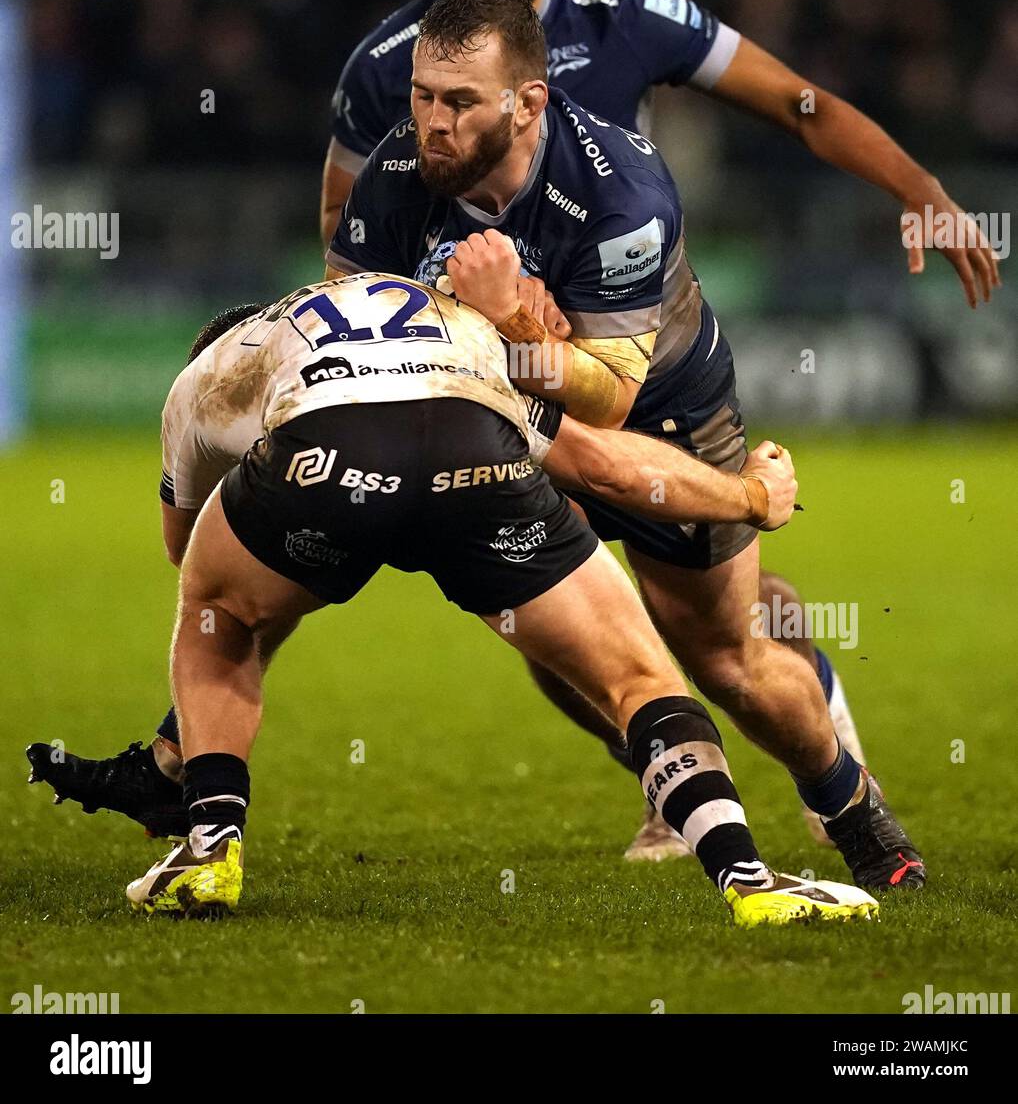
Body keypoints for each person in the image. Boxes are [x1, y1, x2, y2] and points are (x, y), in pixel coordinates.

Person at [317, 0, 997, 860]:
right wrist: (454, 328)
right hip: (511, 362)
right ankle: (681, 778)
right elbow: (350, 253)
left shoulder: (621, 23)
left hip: (640, 357)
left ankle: (817, 746)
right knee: (546, 611)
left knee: (722, 641)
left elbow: (793, 104)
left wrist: (920, 188)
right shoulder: (392, 70)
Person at [33, 273, 877, 927]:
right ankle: (747, 878)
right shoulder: (453, 320)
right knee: (640, 680)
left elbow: (185, 553)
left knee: (219, 619)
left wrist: (298, 536)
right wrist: (751, 499)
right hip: (477, 455)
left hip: (325, 462)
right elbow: (605, 467)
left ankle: (210, 848)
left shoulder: (210, 375)